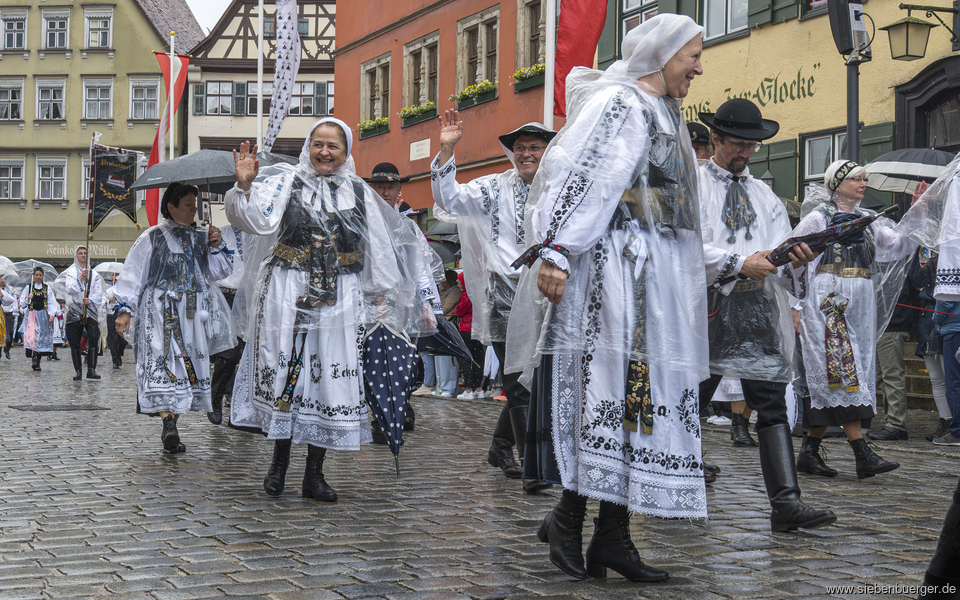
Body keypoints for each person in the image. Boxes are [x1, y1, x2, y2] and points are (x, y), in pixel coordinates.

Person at [507, 14, 708, 581]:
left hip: (651, 279)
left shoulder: (658, 111)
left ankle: (613, 536)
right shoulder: (621, 103)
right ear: (663, 54)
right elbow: (580, 175)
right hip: (616, 277)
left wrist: (731, 262)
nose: (698, 66)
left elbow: (682, 210)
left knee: (634, 406)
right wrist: (557, 249)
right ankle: (571, 520)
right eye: (692, 54)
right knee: (610, 395)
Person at [225, 118, 434, 502]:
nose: (324, 152)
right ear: (309, 146)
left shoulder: (359, 191)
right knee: (289, 373)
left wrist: (380, 297)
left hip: (340, 294)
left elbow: (378, 248)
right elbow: (251, 218)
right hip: (289, 289)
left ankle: (314, 474)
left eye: (333, 146)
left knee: (324, 379)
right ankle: (278, 465)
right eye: (318, 144)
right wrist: (244, 184)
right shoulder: (286, 182)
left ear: (345, 151)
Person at [696, 97, 835, 531]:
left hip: (757, 311)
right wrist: (738, 263)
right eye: (737, 144)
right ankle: (673, 482)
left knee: (771, 404)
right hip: (703, 309)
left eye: (752, 146)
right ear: (715, 139)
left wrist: (797, 257)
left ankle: (786, 504)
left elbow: (778, 247)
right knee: (688, 401)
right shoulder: (693, 185)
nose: (745, 153)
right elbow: (681, 246)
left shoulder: (764, 194)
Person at [432, 114, 557, 480]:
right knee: (517, 381)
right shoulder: (492, 188)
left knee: (536, 380)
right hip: (504, 294)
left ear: (548, 151)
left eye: (535, 147)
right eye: (520, 148)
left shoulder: (560, 186)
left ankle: (501, 446)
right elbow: (449, 198)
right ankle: (534, 468)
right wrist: (446, 148)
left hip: (548, 293)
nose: (527, 154)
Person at [793, 160, 925, 475]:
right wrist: (796, 306)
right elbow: (796, 260)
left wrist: (918, 211)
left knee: (846, 373)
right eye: (856, 178)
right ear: (837, 182)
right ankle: (862, 453)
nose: (863, 183)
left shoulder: (869, 219)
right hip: (829, 299)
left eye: (865, 179)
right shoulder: (818, 218)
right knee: (843, 369)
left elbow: (896, 245)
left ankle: (809, 452)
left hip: (861, 299)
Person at [113, 183, 234, 454]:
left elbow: (220, 272)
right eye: (188, 204)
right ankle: (168, 422)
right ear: (171, 207)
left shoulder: (202, 237)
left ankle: (172, 424)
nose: (194, 209)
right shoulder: (152, 236)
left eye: (195, 203)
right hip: (159, 311)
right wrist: (123, 309)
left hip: (192, 312)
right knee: (162, 362)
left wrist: (216, 245)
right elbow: (133, 273)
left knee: (188, 368)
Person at [869, 253, 921, 441]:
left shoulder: (902, 252)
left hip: (893, 321)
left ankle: (896, 424)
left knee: (891, 374)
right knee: (882, 375)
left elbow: (914, 282)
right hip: (881, 322)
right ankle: (891, 421)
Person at [208, 222, 245, 425]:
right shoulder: (220, 232)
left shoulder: (261, 231)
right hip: (225, 296)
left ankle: (240, 403)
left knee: (247, 351)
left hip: (249, 295)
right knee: (229, 350)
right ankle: (217, 395)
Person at [58, 246, 105, 380]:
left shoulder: (94, 274)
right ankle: (78, 370)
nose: (83, 255)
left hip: (89, 309)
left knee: (93, 338)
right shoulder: (71, 272)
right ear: (76, 255)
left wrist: (89, 301)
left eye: (85, 253)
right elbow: (69, 289)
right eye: (80, 253)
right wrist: (80, 278)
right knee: (75, 341)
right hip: (75, 309)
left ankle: (91, 369)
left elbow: (98, 293)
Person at [19, 266, 60, 371]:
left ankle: (38, 361)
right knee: (33, 337)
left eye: (40, 275)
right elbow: (22, 304)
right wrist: (28, 298)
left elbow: (51, 302)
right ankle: (33, 359)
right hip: (32, 315)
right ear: (34, 276)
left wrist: (51, 315)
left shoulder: (47, 288)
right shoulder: (29, 288)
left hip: (43, 316)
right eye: (36, 275)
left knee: (41, 337)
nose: (38, 277)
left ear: (42, 276)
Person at [453, 271, 485, 399]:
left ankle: (468, 390)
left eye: (459, 279)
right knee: (478, 358)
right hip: (477, 329)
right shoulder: (478, 294)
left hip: (466, 329)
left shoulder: (467, 296)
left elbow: (459, 311)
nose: (457, 281)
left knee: (467, 359)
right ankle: (479, 388)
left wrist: (456, 312)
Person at [104, 272, 129, 369]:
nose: (115, 281)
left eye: (117, 280)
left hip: (121, 316)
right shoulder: (109, 291)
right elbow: (103, 302)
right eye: (113, 280)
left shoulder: (124, 291)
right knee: (112, 339)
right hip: (110, 315)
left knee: (122, 339)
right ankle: (114, 359)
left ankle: (119, 354)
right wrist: (109, 300)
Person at [1, 275, 16, 359]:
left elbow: (13, 300)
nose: (3, 281)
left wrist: (15, 311)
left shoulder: (10, 289)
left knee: (9, 332)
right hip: (1, 313)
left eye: (4, 279)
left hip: (8, 313)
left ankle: (7, 348)